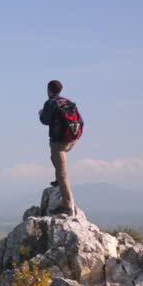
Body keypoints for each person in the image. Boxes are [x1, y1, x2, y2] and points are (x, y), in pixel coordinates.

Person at [38, 80, 82, 216]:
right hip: (72, 139)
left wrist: (41, 113)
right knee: (54, 158)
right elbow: (79, 120)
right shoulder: (68, 102)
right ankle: (58, 181)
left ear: (49, 90)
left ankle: (67, 205)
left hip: (58, 142)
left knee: (62, 173)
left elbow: (45, 120)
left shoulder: (50, 103)